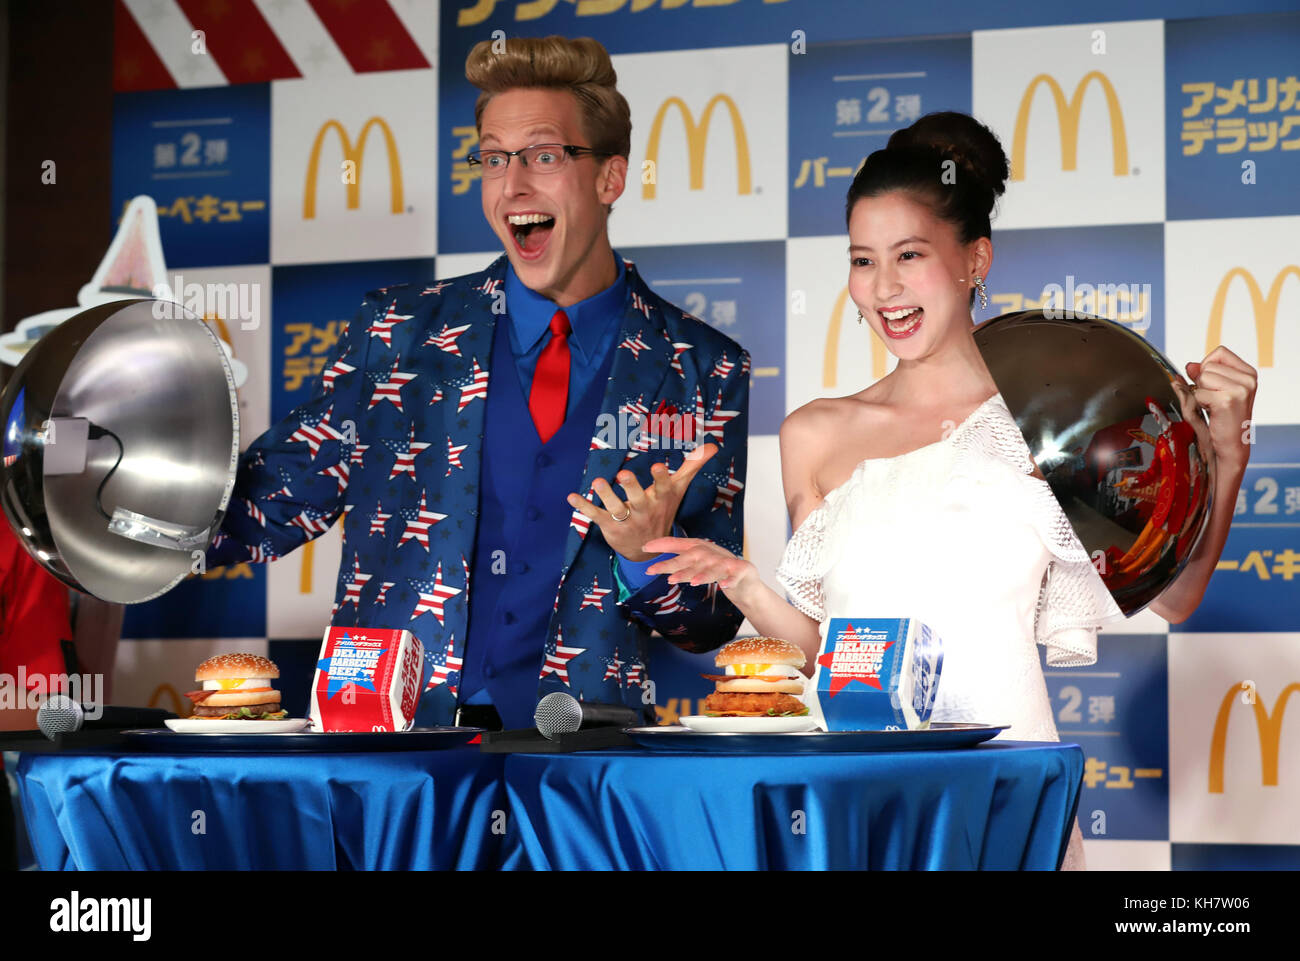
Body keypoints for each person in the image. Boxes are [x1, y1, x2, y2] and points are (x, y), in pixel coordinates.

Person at [644, 111, 1257, 870]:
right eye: (862, 260)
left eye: (910, 254)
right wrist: (743, 583)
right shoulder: (814, 434)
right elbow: (829, 656)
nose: (884, 287)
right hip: (861, 804)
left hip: (1007, 798)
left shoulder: (1054, 417)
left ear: (975, 259)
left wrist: (1227, 456)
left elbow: (1174, 596)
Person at [206, 35, 751, 731]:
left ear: (611, 178)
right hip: (394, 745)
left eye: (544, 156)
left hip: (583, 751)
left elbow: (712, 621)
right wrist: (111, 500)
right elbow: (264, 505)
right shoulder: (397, 332)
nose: (512, 185)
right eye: (494, 158)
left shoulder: (705, 366)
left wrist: (645, 560)